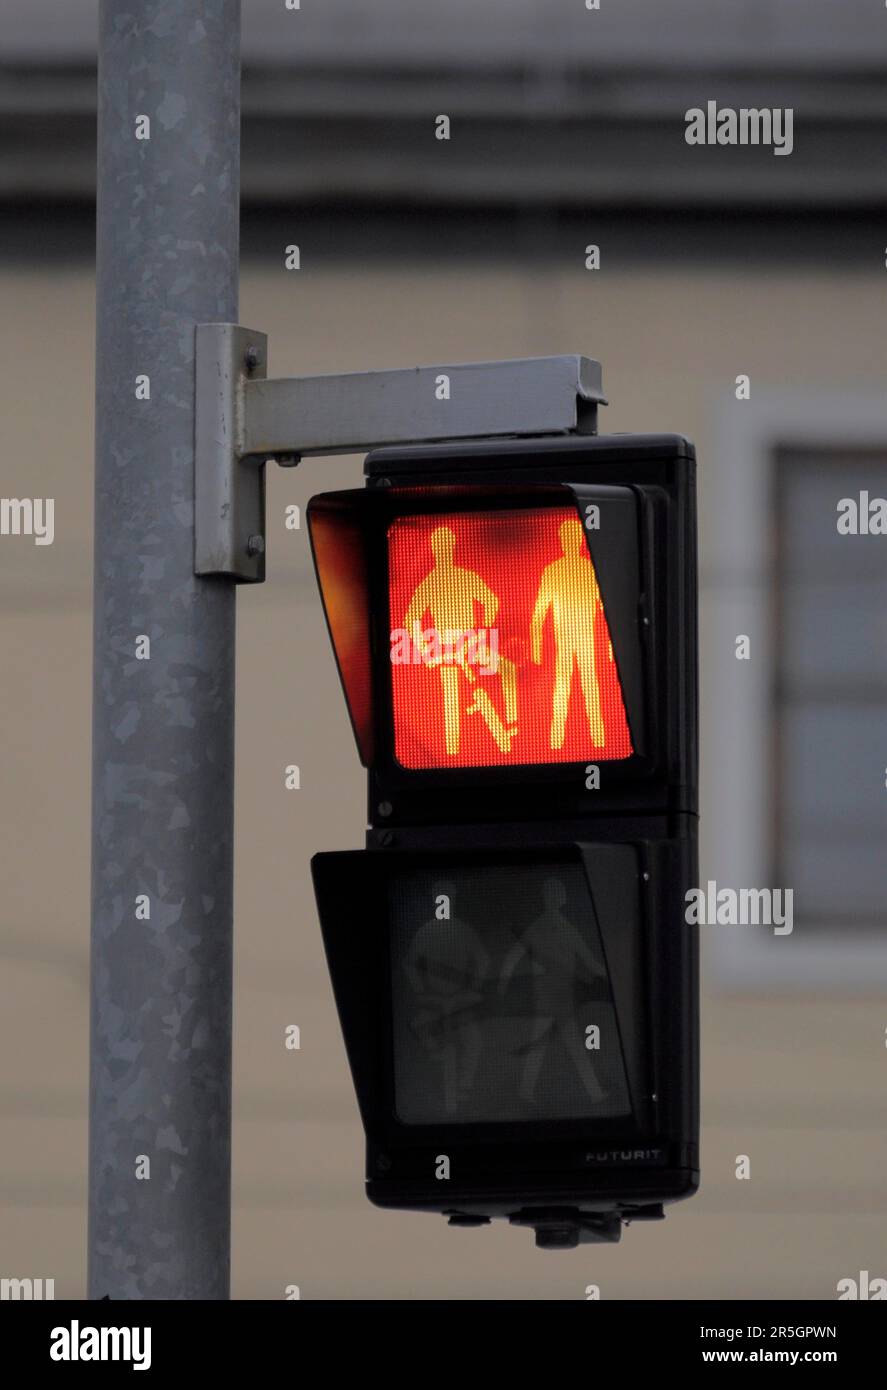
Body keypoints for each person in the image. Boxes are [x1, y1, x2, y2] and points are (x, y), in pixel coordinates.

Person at [530, 517, 605, 750]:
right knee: (570, 684)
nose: (569, 542)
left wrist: (536, 647)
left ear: (578, 540)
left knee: (581, 684)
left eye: (572, 538)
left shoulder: (588, 569)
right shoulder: (584, 569)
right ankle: (560, 742)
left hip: (580, 636)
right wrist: (536, 647)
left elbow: (605, 606)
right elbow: (538, 614)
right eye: (567, 538)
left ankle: (593, 740)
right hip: (570, 637)